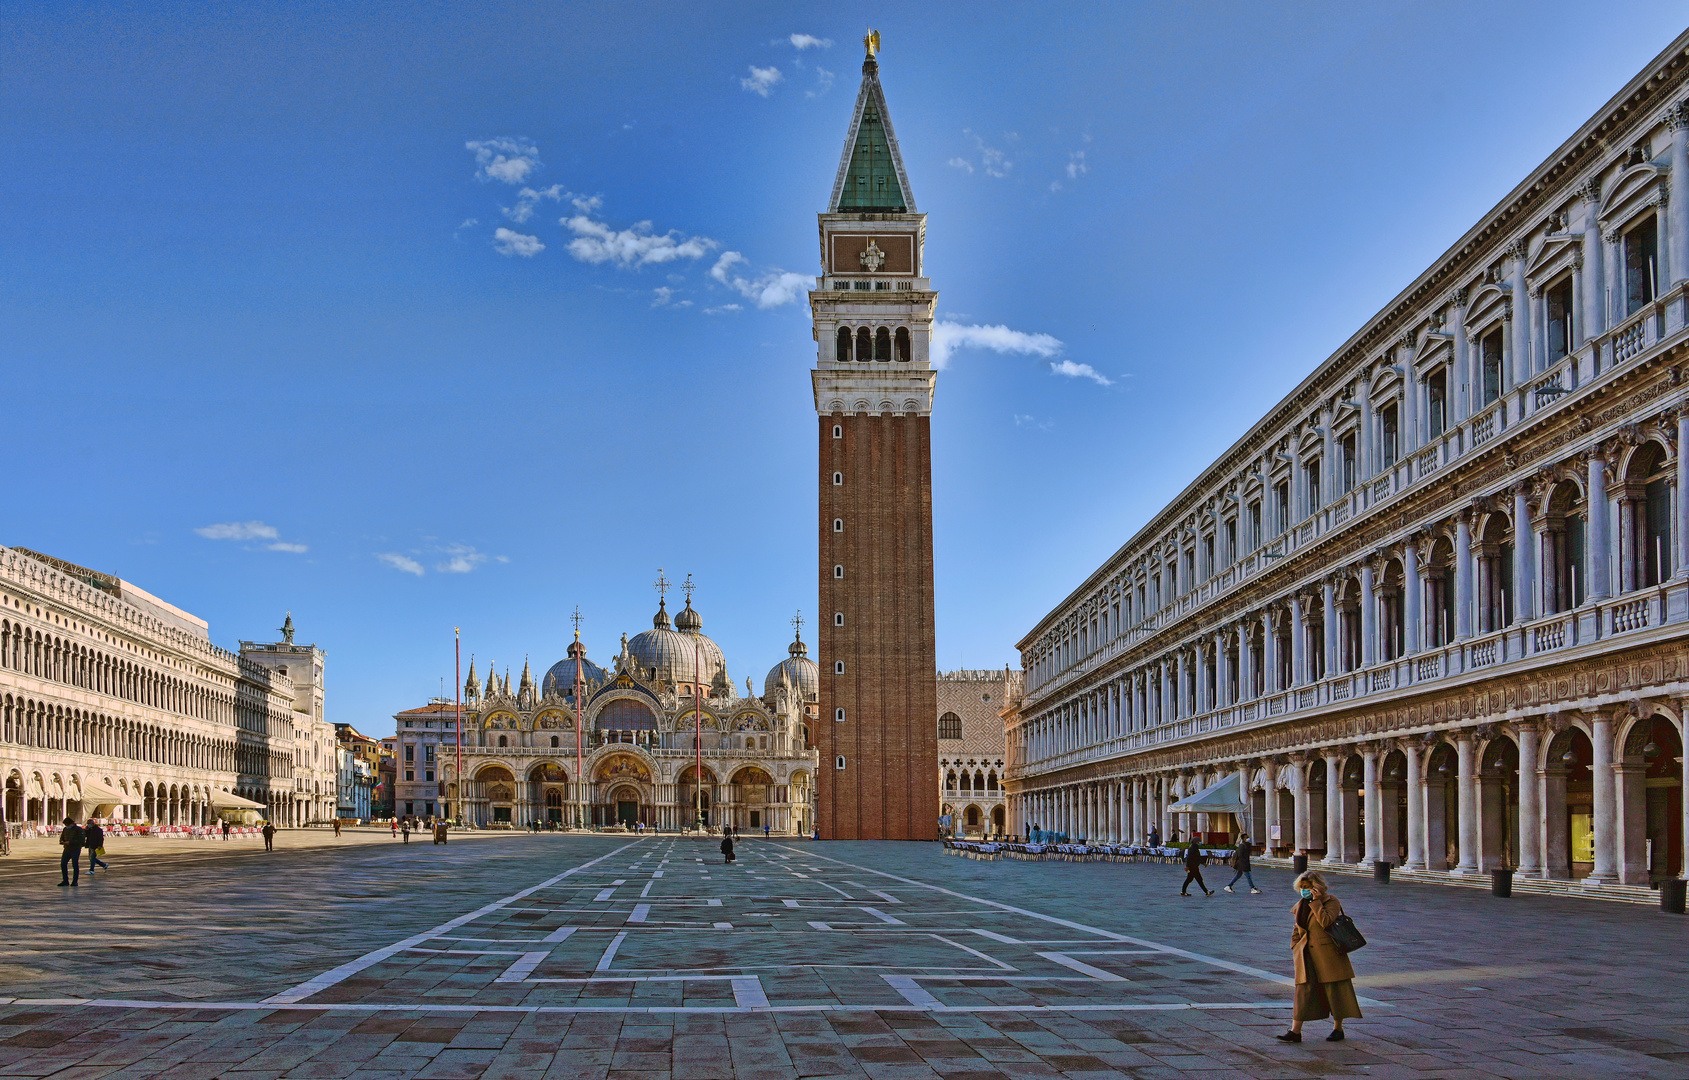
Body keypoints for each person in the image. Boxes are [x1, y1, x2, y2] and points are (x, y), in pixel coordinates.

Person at [1276, 871, 1362, 1043]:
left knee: (1336, 989)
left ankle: (1338, 1028)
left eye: (1306, 887)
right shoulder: (1301, 904)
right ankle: (1295, 1031)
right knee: (1303, 990)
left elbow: (1325, 922)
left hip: (1328, 955)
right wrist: (1295, 944)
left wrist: (1316, 903)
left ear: (1316, 886)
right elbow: (1297, 927)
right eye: (1301, 888)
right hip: (1305, 953)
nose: (1303, 891)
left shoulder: (1331, 901)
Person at [58, 817, 85, 887]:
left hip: (75, 849)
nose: (67, 826)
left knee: (75, 864)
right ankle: (65, 880)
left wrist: (70, 842)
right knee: (63, 864)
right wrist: (62, 841)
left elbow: (81, 841)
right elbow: (62, 837)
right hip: (67, 849)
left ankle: (75, 881)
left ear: (72, 823)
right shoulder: (65, 829)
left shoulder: (78, 830)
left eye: (68, 825)